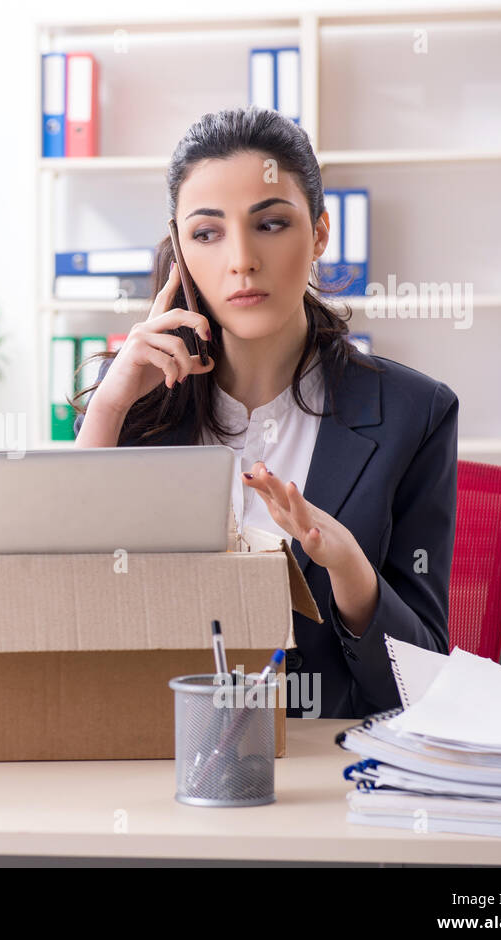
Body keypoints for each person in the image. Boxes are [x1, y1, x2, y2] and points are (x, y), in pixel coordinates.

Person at [73, 106, 459, 720]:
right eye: (207, 233)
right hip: (151, 752)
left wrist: (352, 573)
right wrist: (112, 404)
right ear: (179, 250)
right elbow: (63, 613)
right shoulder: (129, 404)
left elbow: (422, 683)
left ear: (320, 235)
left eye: (271, 224)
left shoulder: (415, 413)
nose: (241, 259)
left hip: (325, 769)